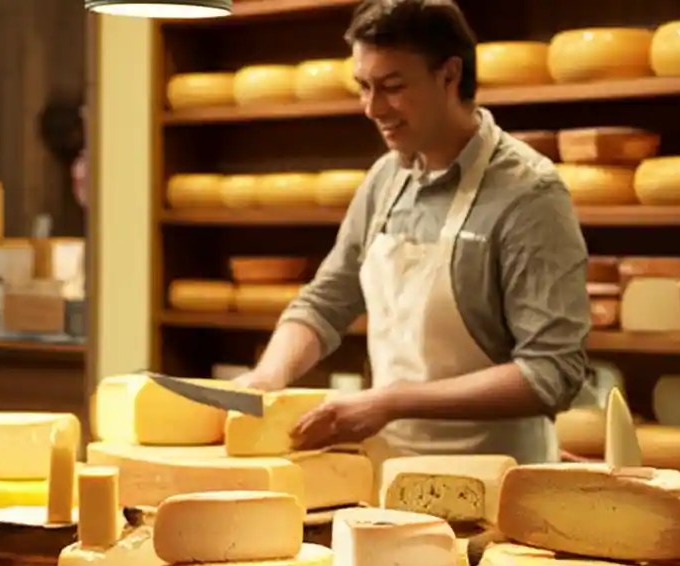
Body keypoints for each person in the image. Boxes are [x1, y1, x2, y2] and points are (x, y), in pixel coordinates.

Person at [236, 0, 589, 464]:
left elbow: (551, 372)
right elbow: (327, 300)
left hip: (498, 483)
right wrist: (268, 377)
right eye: (363, 87)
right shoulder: (385, 180)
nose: (372, 108)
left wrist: (393, 401)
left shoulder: (529, 195)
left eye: (393, 87)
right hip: (390, 475)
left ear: (449, 75)